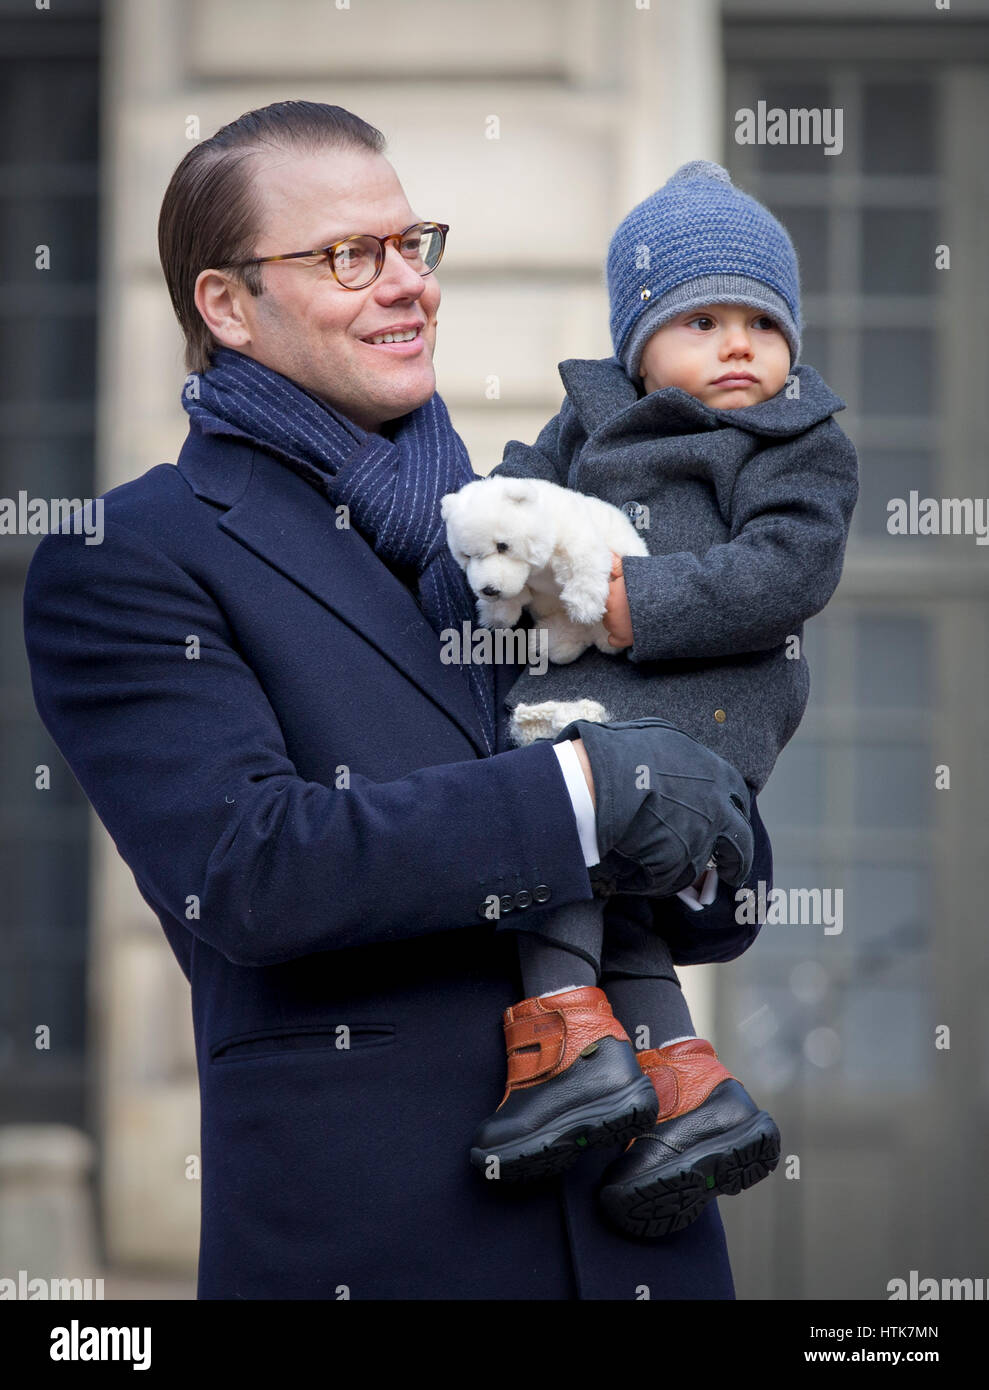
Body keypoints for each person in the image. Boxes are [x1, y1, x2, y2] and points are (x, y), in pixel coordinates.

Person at [22, 101, 768, 1300]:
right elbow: (251, 868)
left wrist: (694, 830)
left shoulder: (515, 516)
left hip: (643, 1245)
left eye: (411, 244)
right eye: (345, 257)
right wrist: (590, 792)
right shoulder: (129, 551)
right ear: (225, 305)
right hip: (390, 1250)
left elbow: (707, 896)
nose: (405, 285)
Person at [465, 161, 860, 1239]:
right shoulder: (589, 415)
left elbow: (787, 571)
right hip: (597, 698)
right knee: (621, 890)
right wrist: (492, 529)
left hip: (710, 704)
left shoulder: (794, 440)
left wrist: (634, 599)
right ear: (636, 342)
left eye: (759, 323)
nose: (737, 346)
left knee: (560, 832)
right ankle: (681, 1087)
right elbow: (521, 493)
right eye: (701, 320)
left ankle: (562, 1045)